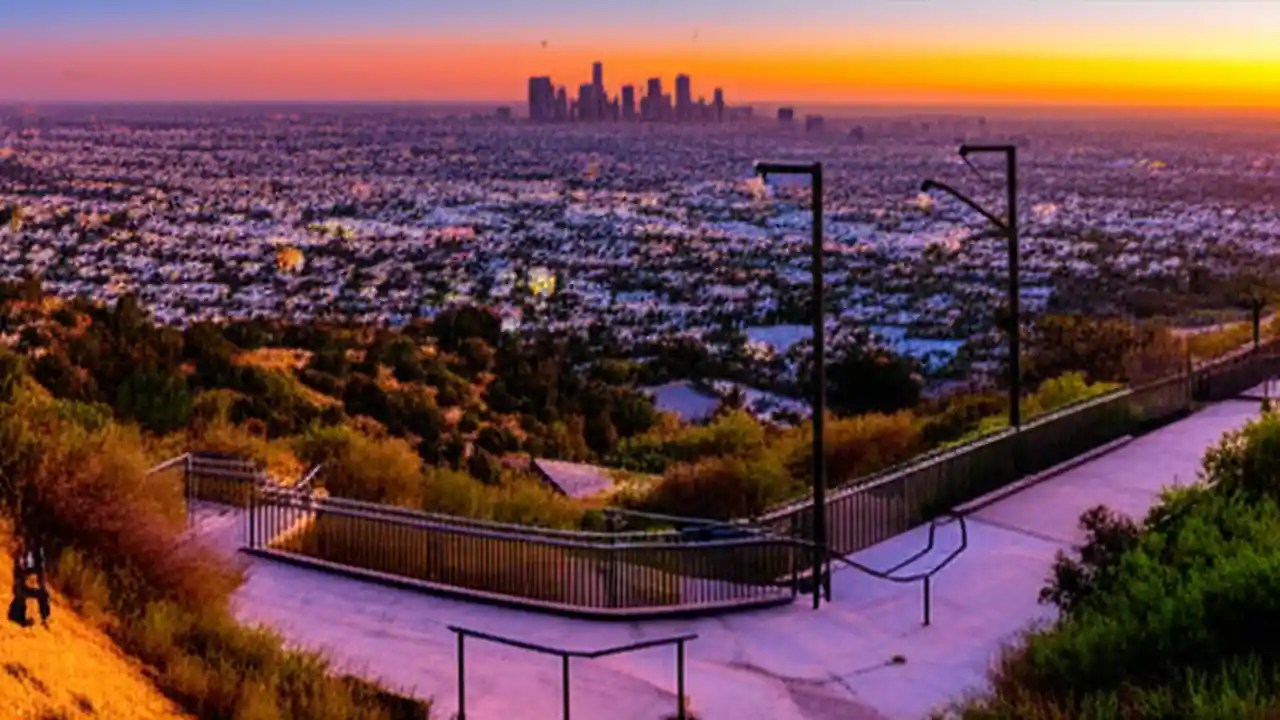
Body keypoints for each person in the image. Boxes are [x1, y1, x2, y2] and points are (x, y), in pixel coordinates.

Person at [7, 532, 50, 628]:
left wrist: (39, 583)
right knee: (20, 596)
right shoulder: (22, 554)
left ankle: (44, 618)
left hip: (29, 585)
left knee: (43, 595)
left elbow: (41, 573)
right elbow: (20, 569)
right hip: (21, 584)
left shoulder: (36, 556)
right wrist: (27, 576)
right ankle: (18, 617)